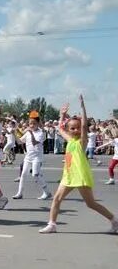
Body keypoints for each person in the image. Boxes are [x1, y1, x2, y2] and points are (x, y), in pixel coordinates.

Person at [39, 95, 118, 234]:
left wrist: (82, 107)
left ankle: (114, 220)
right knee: (56, 199)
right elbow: (60, 129)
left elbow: (83, 125)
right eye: (72, 128)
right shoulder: (69, 140)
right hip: (69, 176)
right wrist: (62, 115)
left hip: (80, 177)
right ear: (69, 130)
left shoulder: (82, 142)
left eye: (77, 128)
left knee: (91, 204)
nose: (75, 130)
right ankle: (52, 224)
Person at [13, 112, 51, 200]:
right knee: (23, 174)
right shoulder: (28, 133)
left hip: (37, 157)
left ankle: (47, 192)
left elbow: (34, 143)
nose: (32, 125)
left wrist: (30, 133)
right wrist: (14, 133)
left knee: (35, 174)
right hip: (28, 157)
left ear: (38, 124)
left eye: (34, 123)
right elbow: (19, 142)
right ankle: (20, 193)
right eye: (30, 123)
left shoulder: (41, 133)